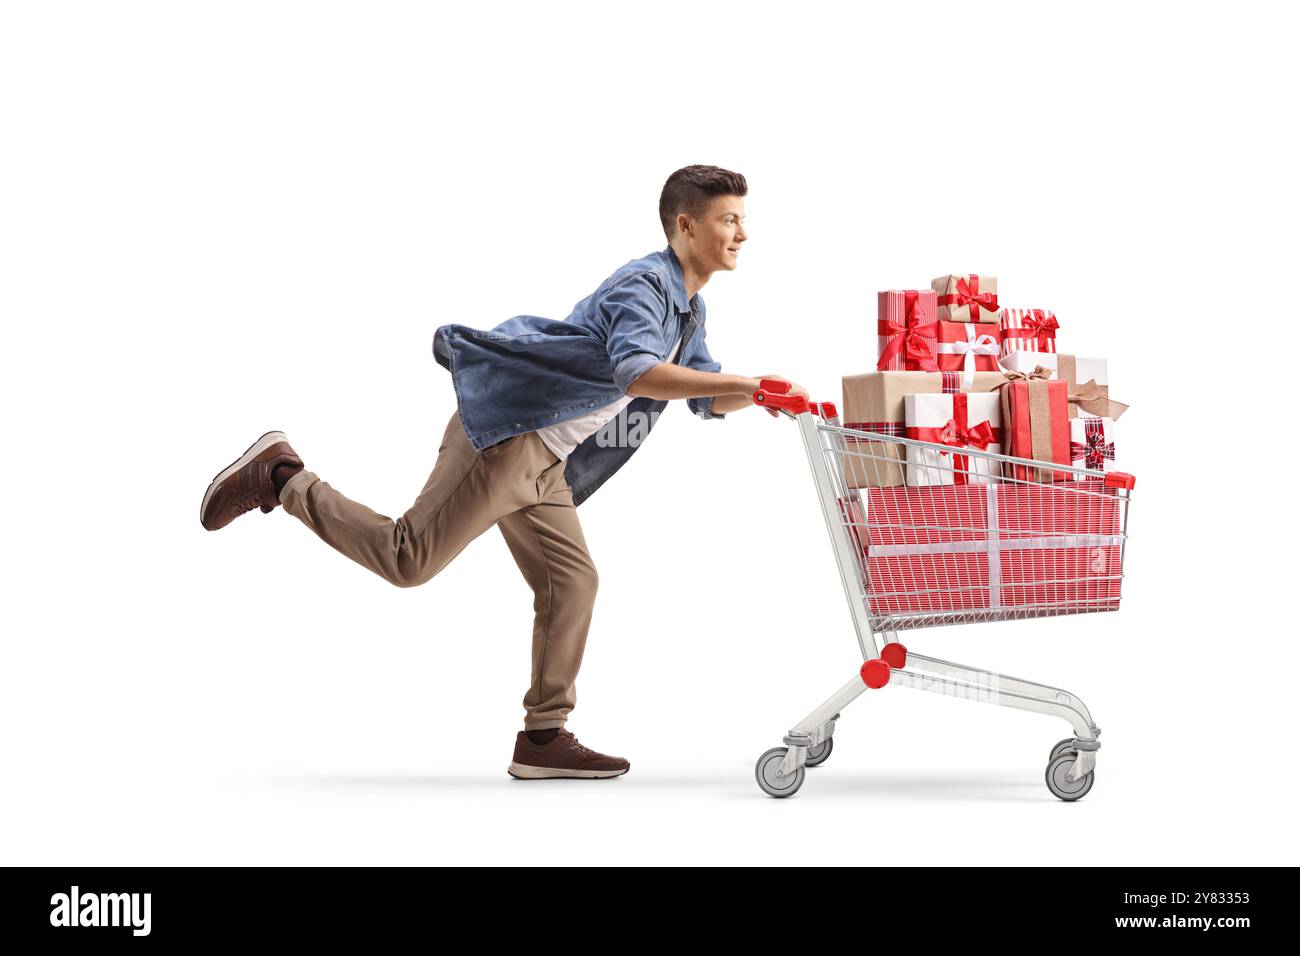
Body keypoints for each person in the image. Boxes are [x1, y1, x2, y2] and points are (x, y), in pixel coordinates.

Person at [200, 164, 808, 780]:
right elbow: (637, 373)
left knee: (572, 584)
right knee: (407, 560)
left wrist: (762, 394)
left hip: (547, 461)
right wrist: (745, 384)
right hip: (509, 439)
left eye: (742, 220)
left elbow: (703, 398)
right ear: (687, 225)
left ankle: (543, 739)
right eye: (729, 220)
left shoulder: (688, 310)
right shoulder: (646, 287)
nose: (742, 234)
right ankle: (282, 477)